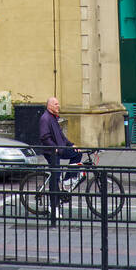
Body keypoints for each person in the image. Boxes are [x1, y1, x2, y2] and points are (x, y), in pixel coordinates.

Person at [38, 97, 81, 226]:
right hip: (51, 152)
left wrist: (71, 145)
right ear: (50, 106)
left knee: (77, 154)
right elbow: (44, 137)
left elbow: (61, 137)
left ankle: (68, 179)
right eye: (56, 104)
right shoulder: (45, 119)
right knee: (55, 177)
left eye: (58, 103)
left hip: (60, 149)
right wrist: (54, 147)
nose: (58, 106)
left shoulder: (54, 118)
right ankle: (53, 207)